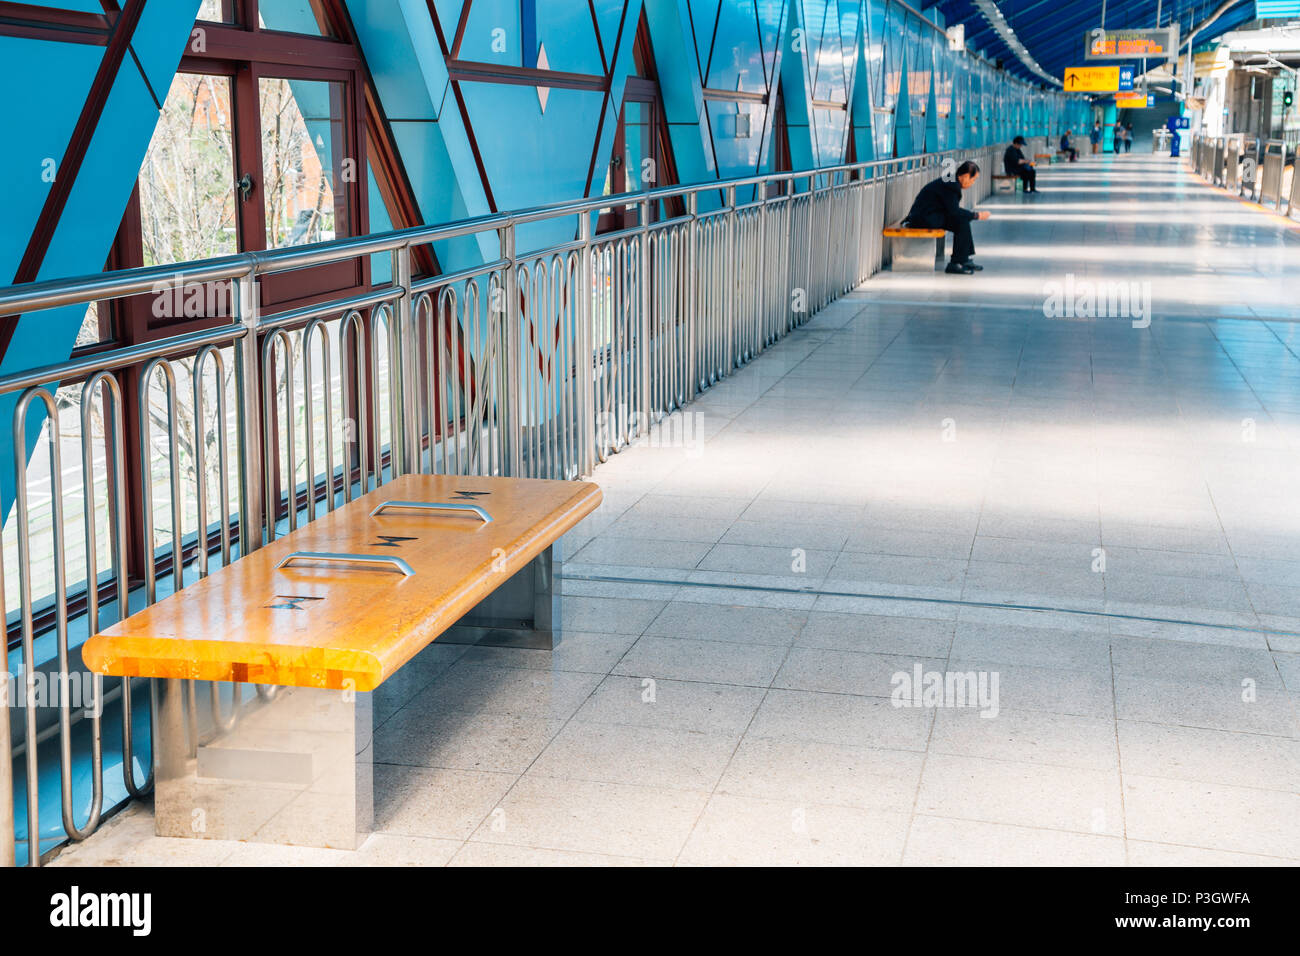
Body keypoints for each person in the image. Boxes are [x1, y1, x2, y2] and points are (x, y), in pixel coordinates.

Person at [902, 160, 992, 275]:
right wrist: (976, 215)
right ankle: (956, 263)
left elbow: (951, 210)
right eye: (973, 179)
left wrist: (970, 215)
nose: (972, 183)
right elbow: (954, 212)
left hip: (929, 215)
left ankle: (963, 260)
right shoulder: (951, 185)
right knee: (961, 220)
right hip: (924, 218)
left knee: (962, 221)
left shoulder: (951, 181)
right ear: (964, 176)